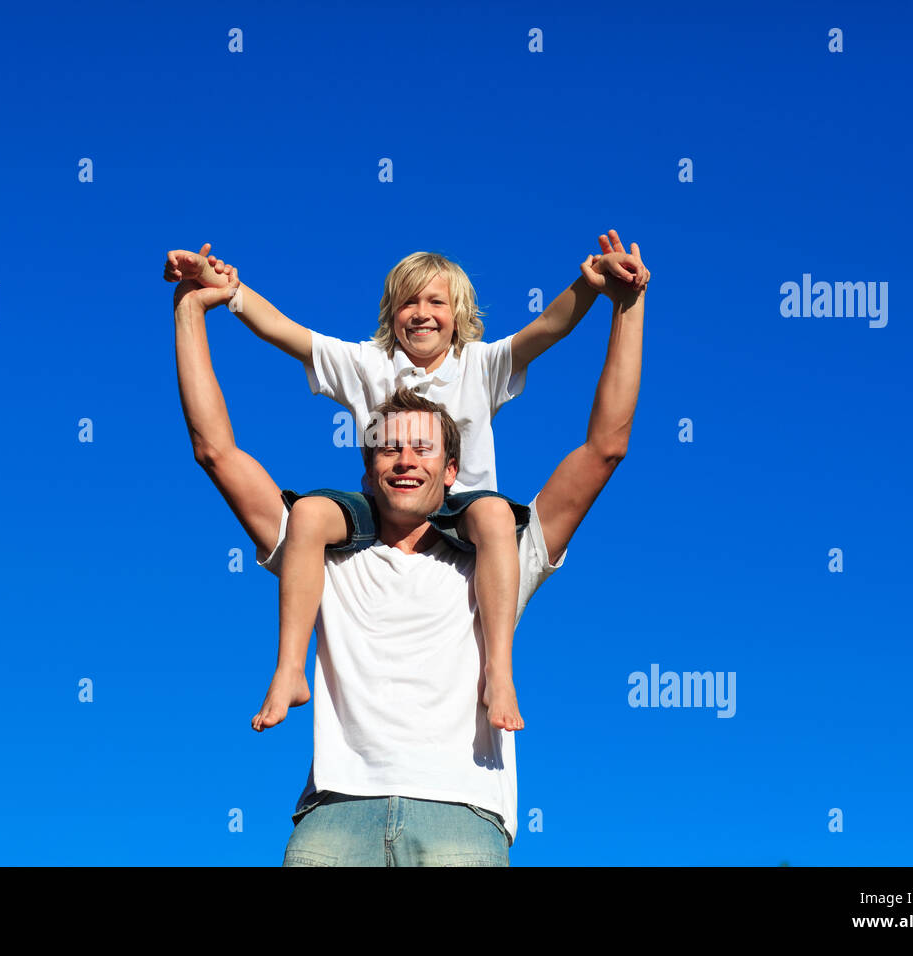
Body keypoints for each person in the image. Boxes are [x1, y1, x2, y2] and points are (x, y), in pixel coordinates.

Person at [168, 239, 647, 865]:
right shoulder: (325, 557)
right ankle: (288, 673)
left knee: (497, 516)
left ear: (451, 469)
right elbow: (216, 452)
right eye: (387, 447)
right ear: (366, 470)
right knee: (310, 511)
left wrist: (625, 304)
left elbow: (603, 448)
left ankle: (499, 677)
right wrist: (192, 308)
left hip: (462, 815)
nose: (405, 458)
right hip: (335, 815)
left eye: (424, 449)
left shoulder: (493, 561)